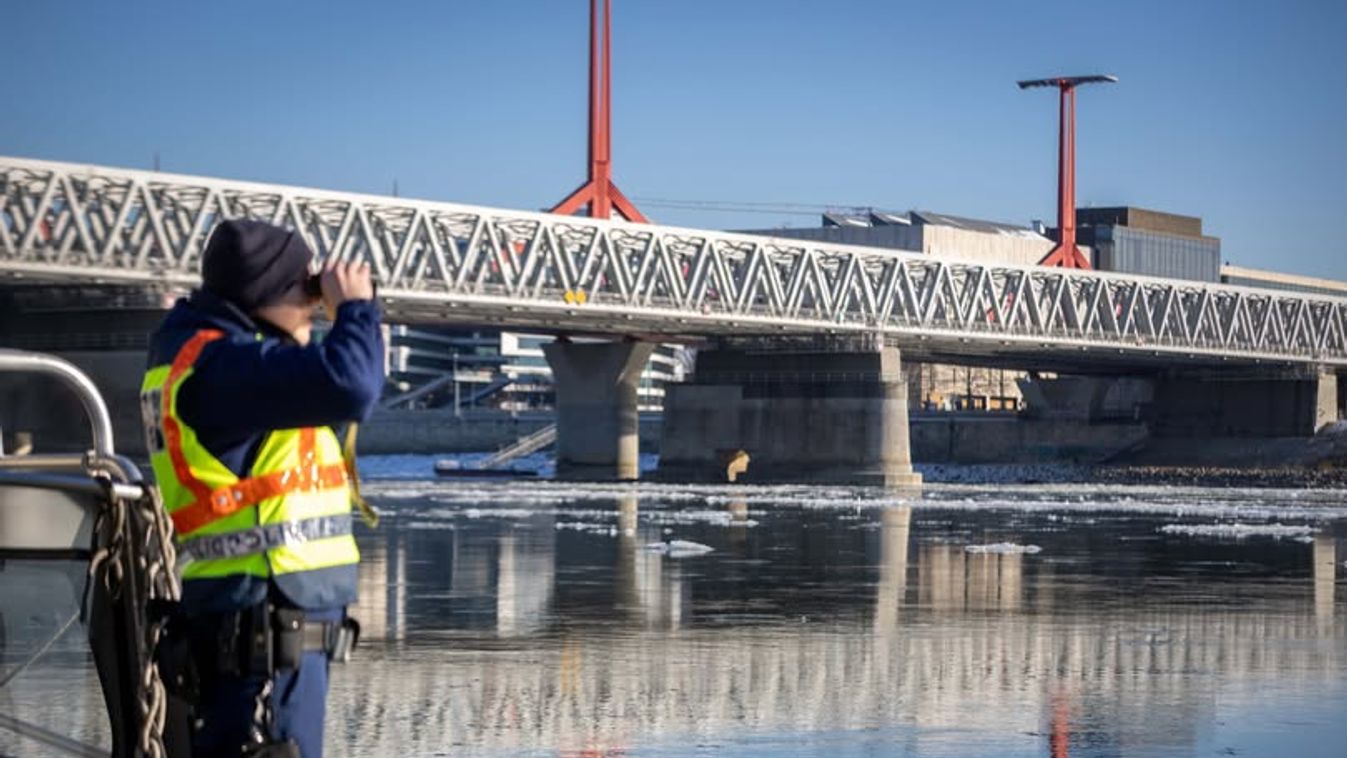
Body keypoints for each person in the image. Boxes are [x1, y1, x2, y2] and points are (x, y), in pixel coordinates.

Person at [140, 219, 384, 757]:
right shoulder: (224, 370)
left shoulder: (214, 361)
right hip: (260, 641)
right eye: (304, 290)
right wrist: (356, 310)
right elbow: (354, 383)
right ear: (264, 295)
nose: (312, 303)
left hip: (264, 630)